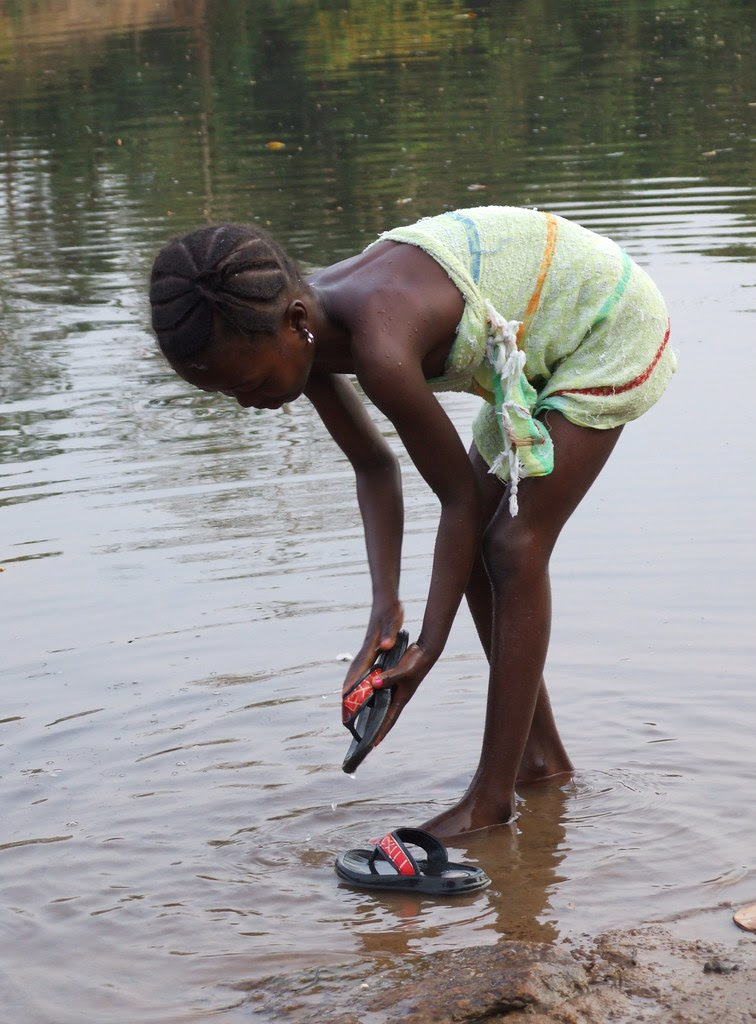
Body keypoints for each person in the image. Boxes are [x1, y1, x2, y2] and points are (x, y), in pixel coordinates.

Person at [149, 205, 675, 839]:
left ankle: (491, 799)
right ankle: (536, 762)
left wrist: (428, 647)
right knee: (483, 545)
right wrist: (384, 612)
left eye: (250, 382)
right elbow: (375, 468)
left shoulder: (379, 345)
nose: (246, 402)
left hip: (603, 321)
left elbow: (457, 501)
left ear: (294, 324)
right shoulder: (302, 330)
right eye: (227, 394)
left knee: (512, 546)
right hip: (524, 341)